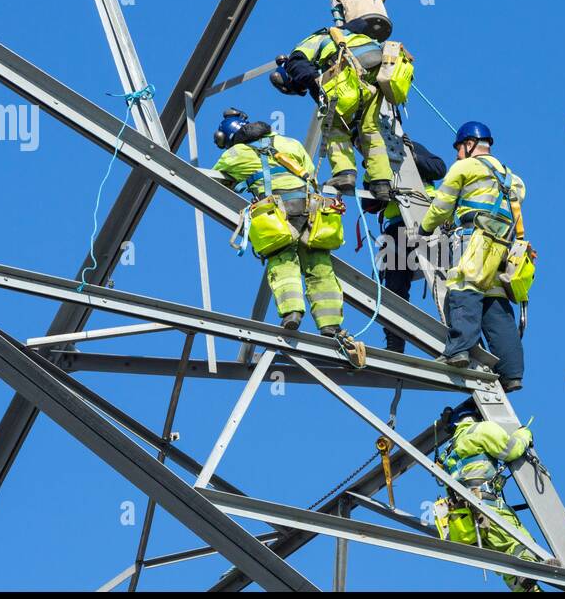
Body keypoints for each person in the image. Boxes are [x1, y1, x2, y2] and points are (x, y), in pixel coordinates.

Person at [210, 108, 345, 335]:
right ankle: (330, 324)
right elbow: (310, 173)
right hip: (311, 209)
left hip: (277, 214)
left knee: (283, 263)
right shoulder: (289, 143)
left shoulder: (234, 154)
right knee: (319, 266)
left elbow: (215, 183)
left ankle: (292, 313)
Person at [417, 121, 525, 392]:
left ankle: (458, 351)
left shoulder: (464, 168)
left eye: (459, 149)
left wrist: (424, 228)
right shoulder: (511, 178)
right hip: (502, 247)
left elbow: (442, 206)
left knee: (463, 288)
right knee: (495, 303)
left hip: (474, 239)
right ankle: (511, 372)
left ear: (469, 144)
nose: (456, 155)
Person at [271, 24, 402, 207]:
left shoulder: (296, 56)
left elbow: (305, 73)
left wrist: (319, 92)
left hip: (353, 67)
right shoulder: (334, 33)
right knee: (370, 128)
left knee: (333, 125)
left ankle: (344, 174)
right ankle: (381, 183)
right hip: (379, 64)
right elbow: (361, 24)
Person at [435, 404, 541, 592]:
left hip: (465, 520)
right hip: (487, 507)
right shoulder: (481, 429)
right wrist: (524, 434)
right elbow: (510, 450)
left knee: (505, 561)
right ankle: (527, 570)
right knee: (523, 546)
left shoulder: (448, 451)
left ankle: (523, 586)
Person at [362, 136, 446, 353]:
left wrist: (412, 157)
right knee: (395, 287)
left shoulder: (411, 147)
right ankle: (395, 342)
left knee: (448, 284)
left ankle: (461, 341)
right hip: (398, 228)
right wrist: (376, 182)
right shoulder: (374, 161)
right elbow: (368, 204)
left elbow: (439, 168)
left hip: (428, 222)